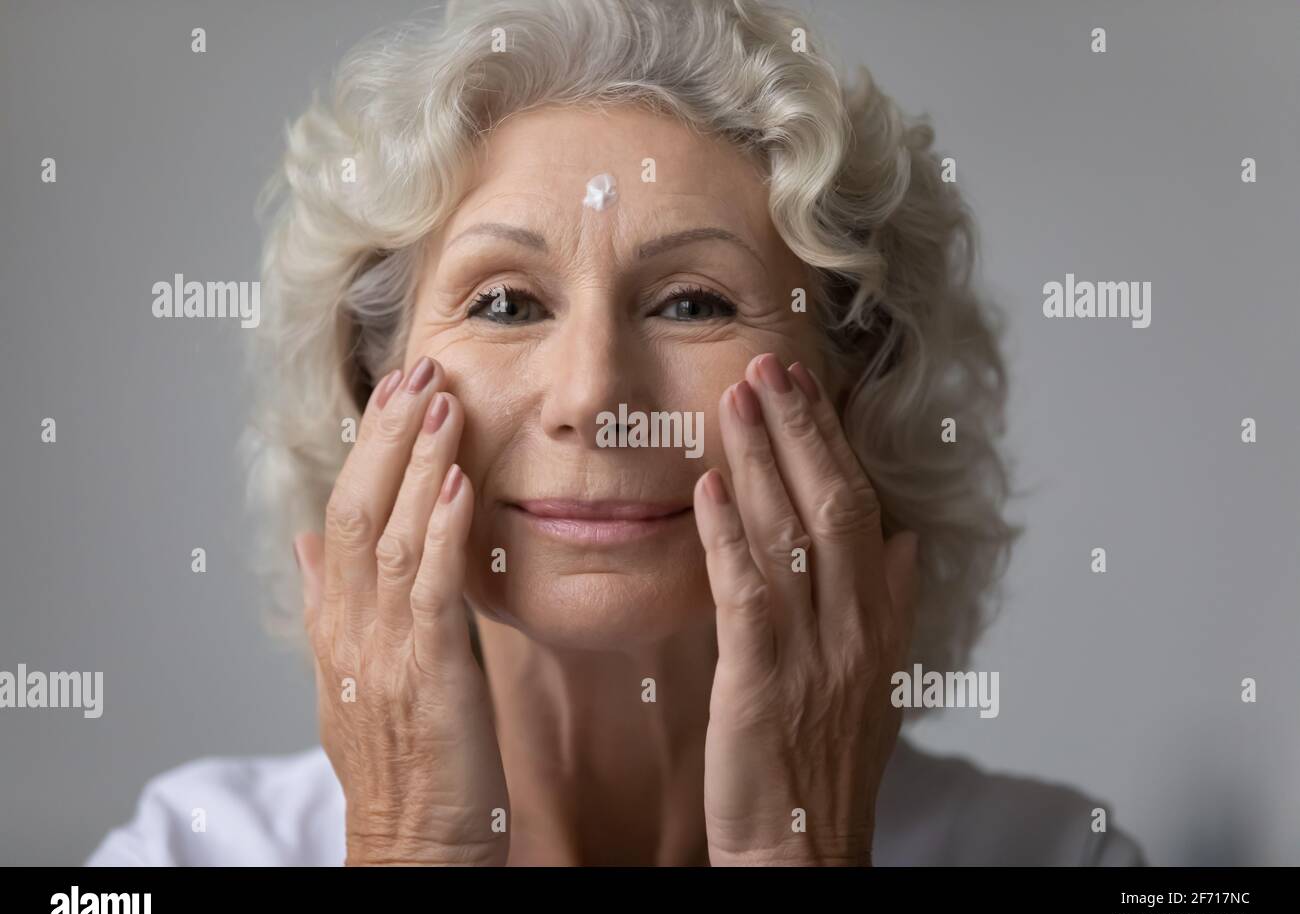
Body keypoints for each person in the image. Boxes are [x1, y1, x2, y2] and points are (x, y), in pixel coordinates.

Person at [88, 0, 1143, 866]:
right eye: (505, 304)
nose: (595, 395)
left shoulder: (1055, 855)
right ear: (369, 394)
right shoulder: (187, 851)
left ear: (854, 388)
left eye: (692, 303)